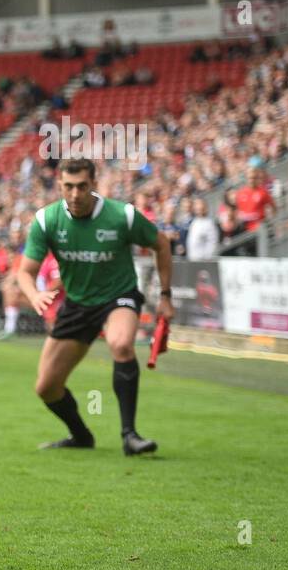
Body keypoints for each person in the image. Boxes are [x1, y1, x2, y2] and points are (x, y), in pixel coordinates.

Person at [15, 157, 173, 456]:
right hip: (77, 304)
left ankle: (130, 435)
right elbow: (25, 272)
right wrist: (34, 295)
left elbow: (161, 244)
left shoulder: (122, 215)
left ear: (94, 185)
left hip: (119, 295)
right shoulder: (47, 220)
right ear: (60, 185)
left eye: (82, 187)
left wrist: (165, 295)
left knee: (121, 343)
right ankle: (81, 436)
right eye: (68, 187)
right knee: (46, 387)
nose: (75, 194)